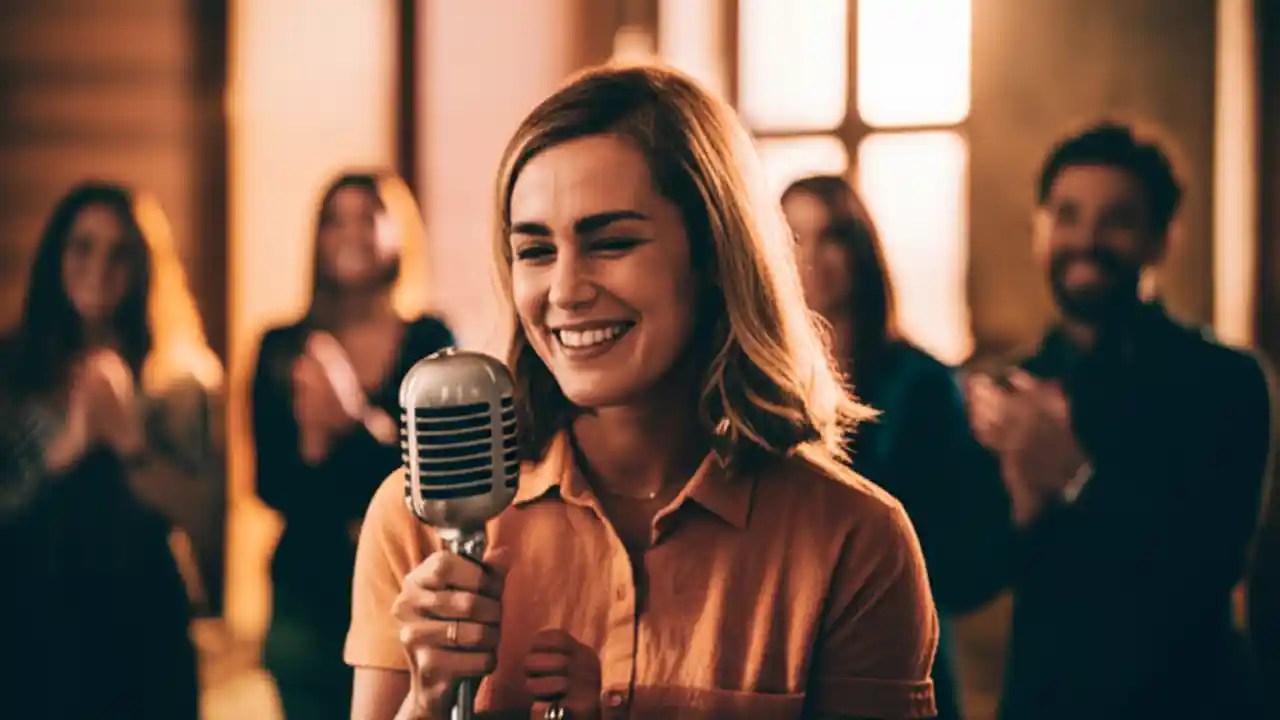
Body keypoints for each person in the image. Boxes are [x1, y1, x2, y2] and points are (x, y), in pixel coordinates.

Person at [345, 64, 939, 720]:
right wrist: (427, 704)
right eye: (535, 251)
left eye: (613, 242)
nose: (566, 291)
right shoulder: (415, 521)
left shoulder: (854, 541)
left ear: (715, 254)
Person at [965, 123, 1272, 719]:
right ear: (1039, 230)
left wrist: (1075, 474)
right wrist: (1021, 505)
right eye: (1068, 215)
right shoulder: (1008, 389)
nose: (1086, 239)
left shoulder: (1227, 380)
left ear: (1160, 240)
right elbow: (963, 580)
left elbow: (1210, 568)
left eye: (1117, 220)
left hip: (1193, 702)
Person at [783, 175, 1010, 720]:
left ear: (860, 248)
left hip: (896, 634)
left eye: (831, 235)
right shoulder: (760, 384)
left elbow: (963, 545)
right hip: (786, 646)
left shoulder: (921, 384)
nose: (812, 257)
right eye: (793, 237)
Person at [0, 182, 225, 718]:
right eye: (83, 246)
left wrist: (130, 440)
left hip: (144, 631)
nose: (100, 265)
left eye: (120, 251)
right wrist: (65, 448)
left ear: (146, 268)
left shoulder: (180, 377)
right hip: (29, 628)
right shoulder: (11, 370)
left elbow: (205, 519)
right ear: (56, 256)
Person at [252, 171, 454, 719]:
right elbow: (269, 485)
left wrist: (351, 421)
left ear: (400, 231)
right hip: (308, 590)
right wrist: (316, 447)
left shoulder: (431, 341)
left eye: (369, 216)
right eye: (335, 219)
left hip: (406, 582)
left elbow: (435, 475)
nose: (352, 232)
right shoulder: (280, 347)